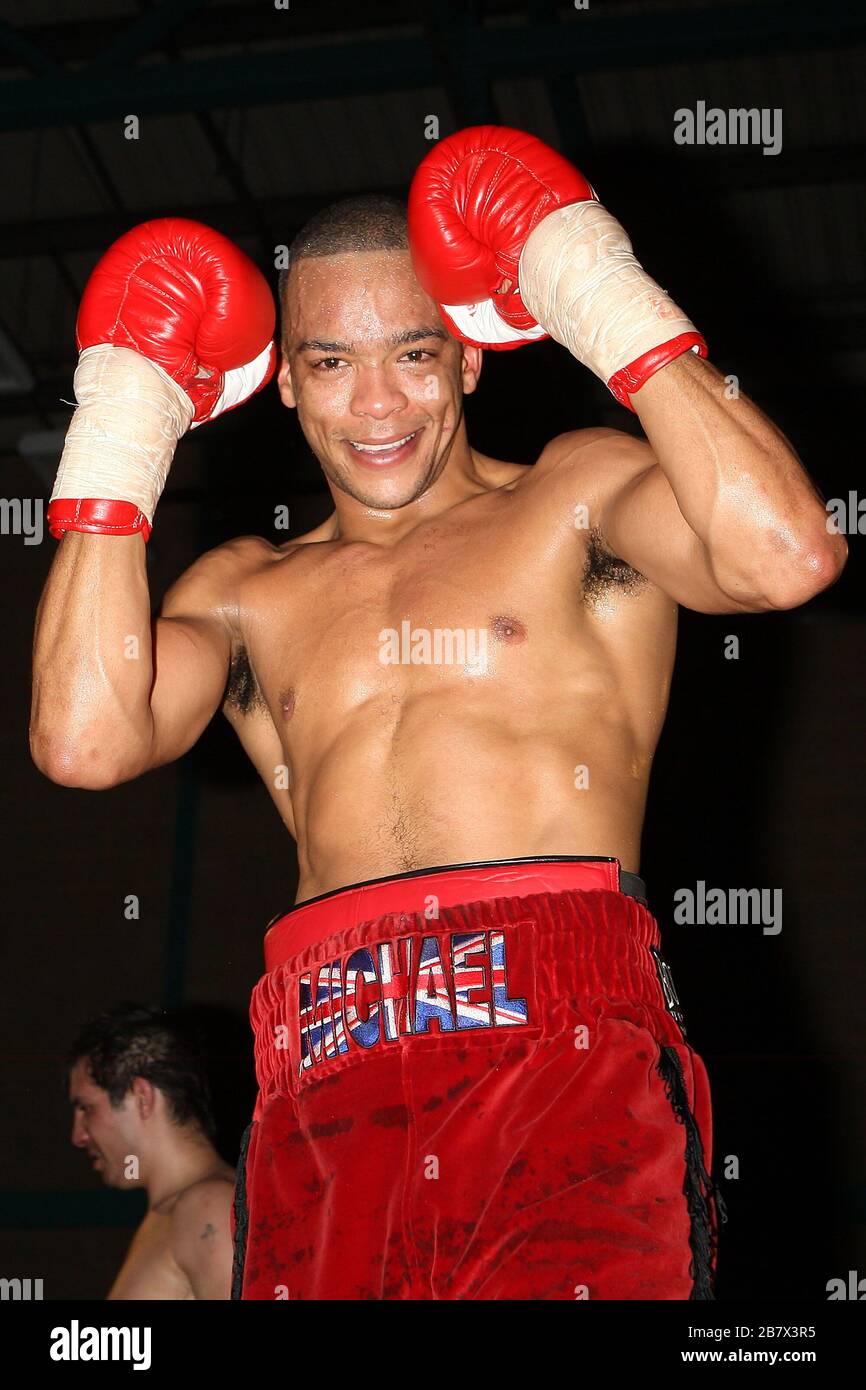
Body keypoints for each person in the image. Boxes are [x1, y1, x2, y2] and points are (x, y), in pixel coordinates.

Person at [32, 126, 846, 1300]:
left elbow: (785, 555)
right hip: (322, 1063)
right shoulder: (244, 588)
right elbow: (82, 739)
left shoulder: (573, 494)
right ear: (284, 379)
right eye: (329, 363)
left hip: (556, 1037)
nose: (376, 403)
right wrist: (125, 410)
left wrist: (585, 278)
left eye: (412, 354)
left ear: (468, 353)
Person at [68, 1004, 235, 1299]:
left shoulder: (208, 1208)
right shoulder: (173, 1214)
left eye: (86, 1108)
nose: (78, 1136)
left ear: (141, 1097)